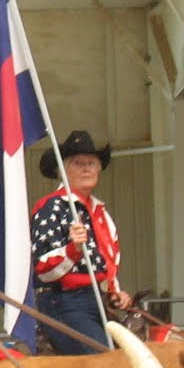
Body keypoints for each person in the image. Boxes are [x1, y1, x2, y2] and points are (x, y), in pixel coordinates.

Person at [30, 130, 131, 354]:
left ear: (99, 170)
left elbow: (108, 260)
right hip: (64, 303)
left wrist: (114, 292)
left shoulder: (100, 213)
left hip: (99, 302)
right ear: (62, 170)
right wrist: (72, 250)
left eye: (91, 163)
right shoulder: (51, 207)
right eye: (78, 163)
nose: (86, 168)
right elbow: (43, 270)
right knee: (109, 363)